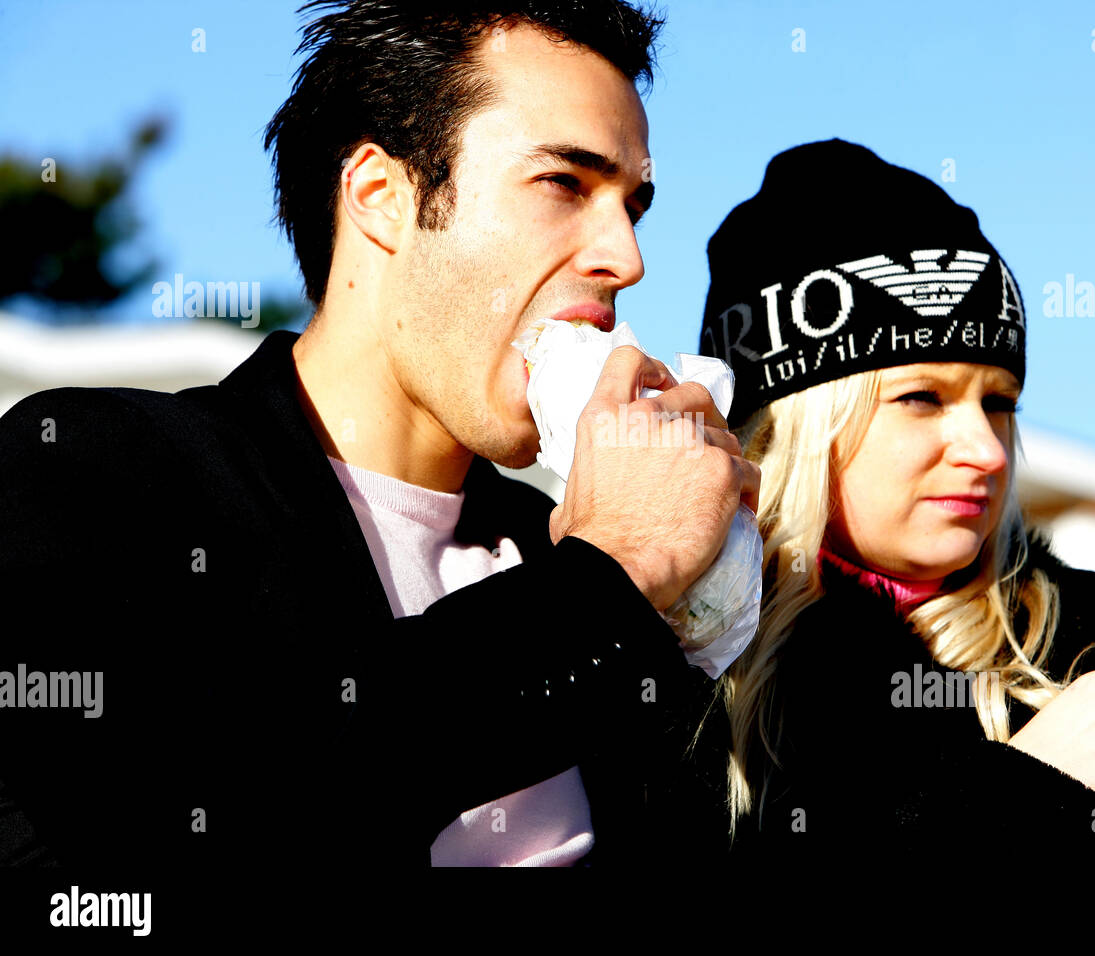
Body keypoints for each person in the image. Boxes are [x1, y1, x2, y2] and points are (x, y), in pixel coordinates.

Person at [0, 1, 757, 872]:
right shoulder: (102, 474)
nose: (626, 258)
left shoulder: (557, 548)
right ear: (380, 197)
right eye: (565, 184)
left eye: (633, 205)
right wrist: (620, 568)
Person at [696, 139, 1095, 870]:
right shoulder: (684, 671)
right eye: (923, 398)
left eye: (1000, 402)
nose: (986, 451)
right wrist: (1026, 799)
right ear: (794, 423)